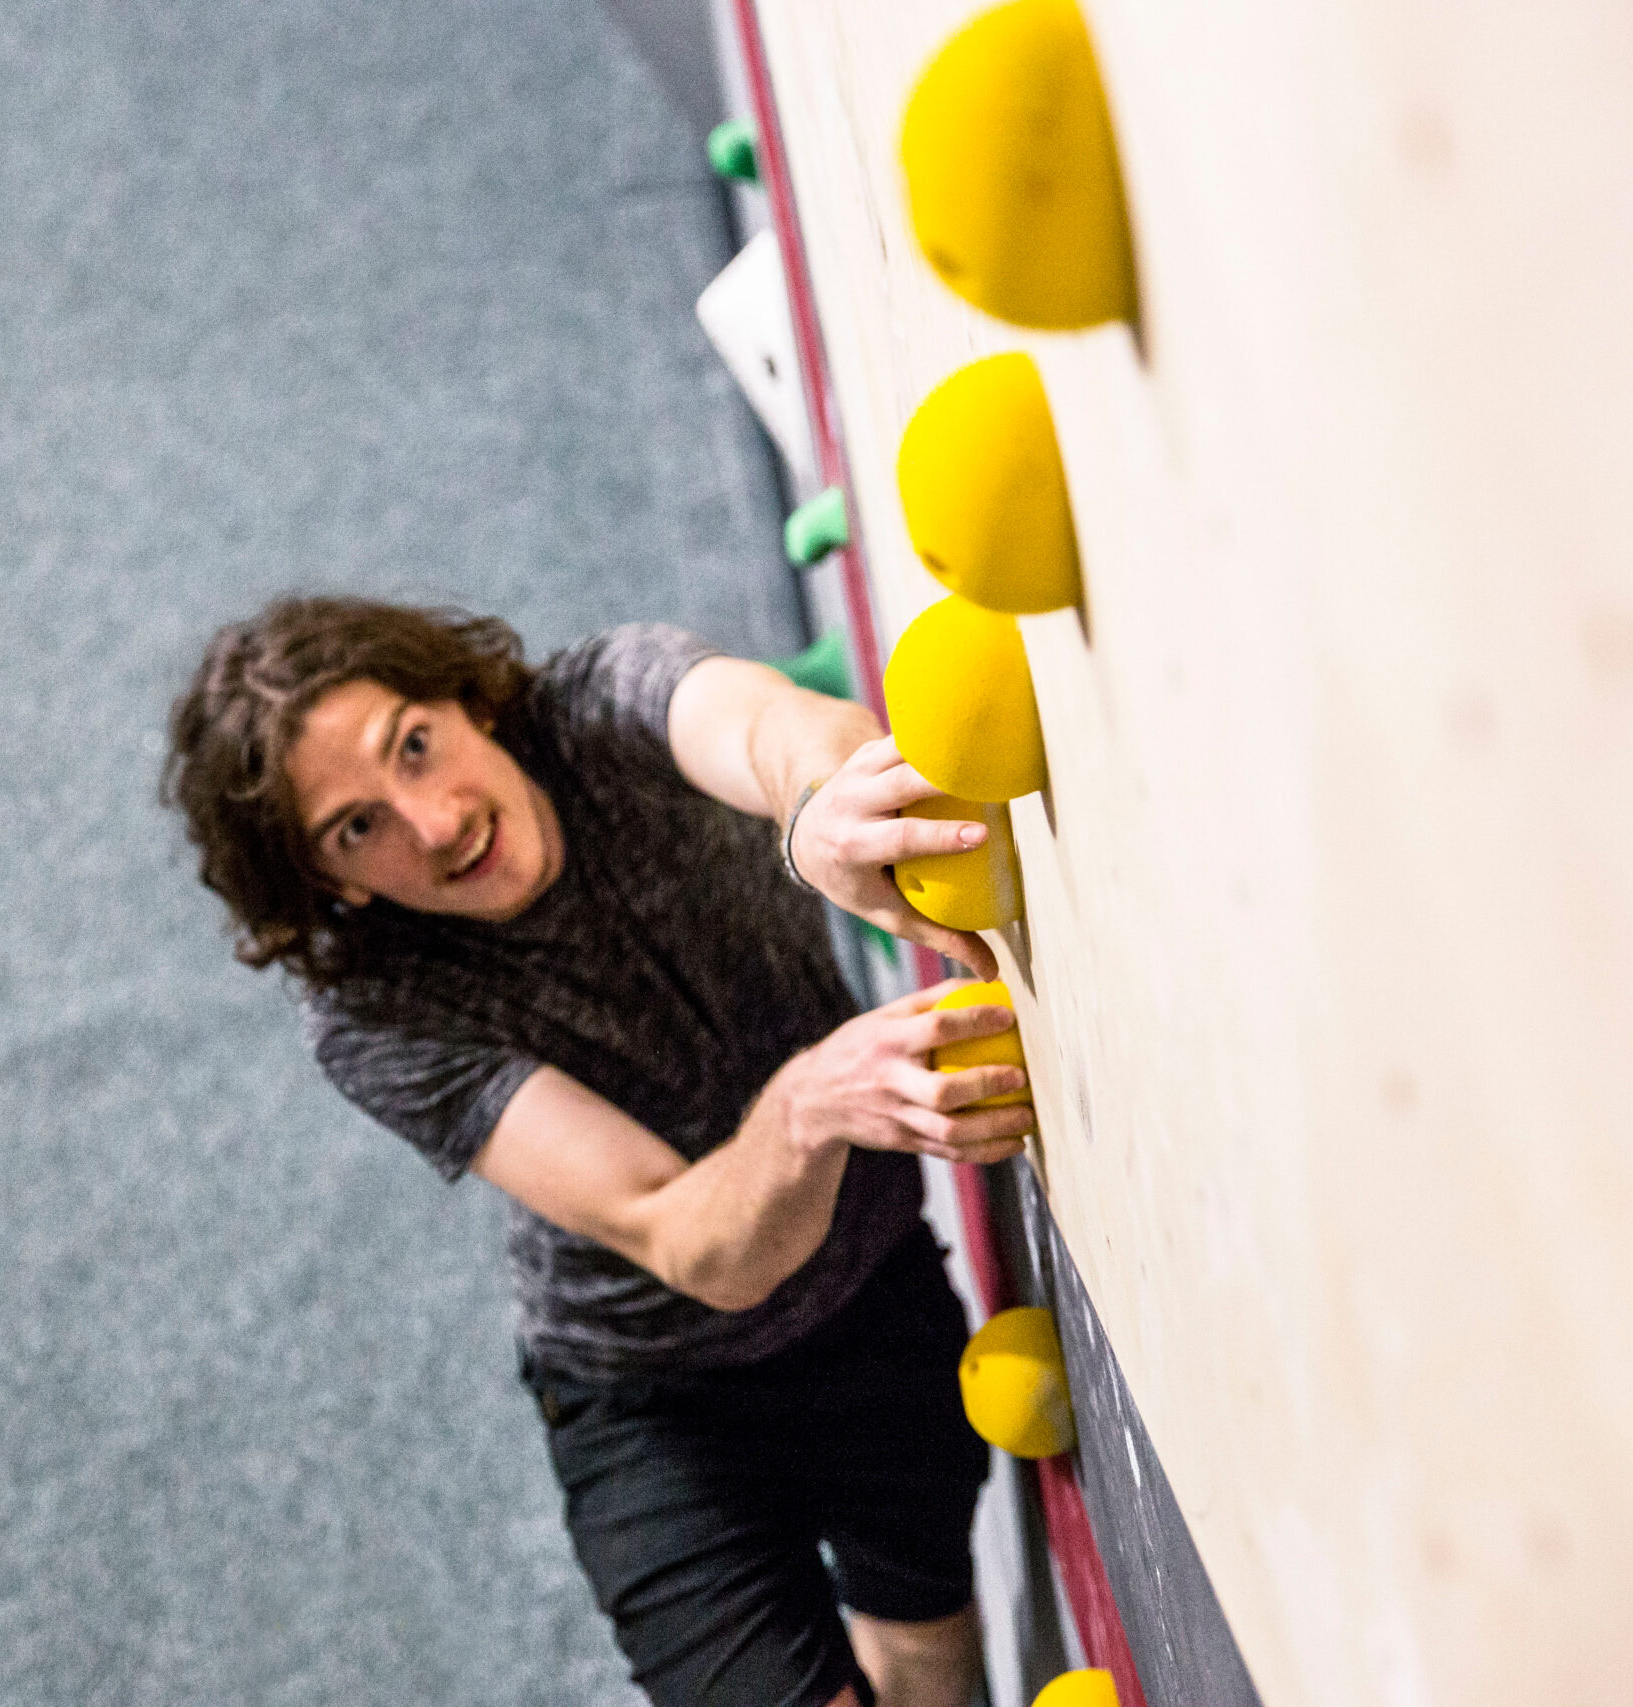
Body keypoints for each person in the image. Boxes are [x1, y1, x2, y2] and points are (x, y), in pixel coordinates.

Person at [162, 597, 1035, 1707]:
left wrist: (817, 803)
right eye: (356, 827)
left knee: (925, 1669)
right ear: (332, 881)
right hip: (652, 1404)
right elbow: (691, 1242)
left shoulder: (605, 705)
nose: (432, 824)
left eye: (414, 747)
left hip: (868, 1297)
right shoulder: (373, 1013)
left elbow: (769, 726)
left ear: (466, 701)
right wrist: (808, 1108)